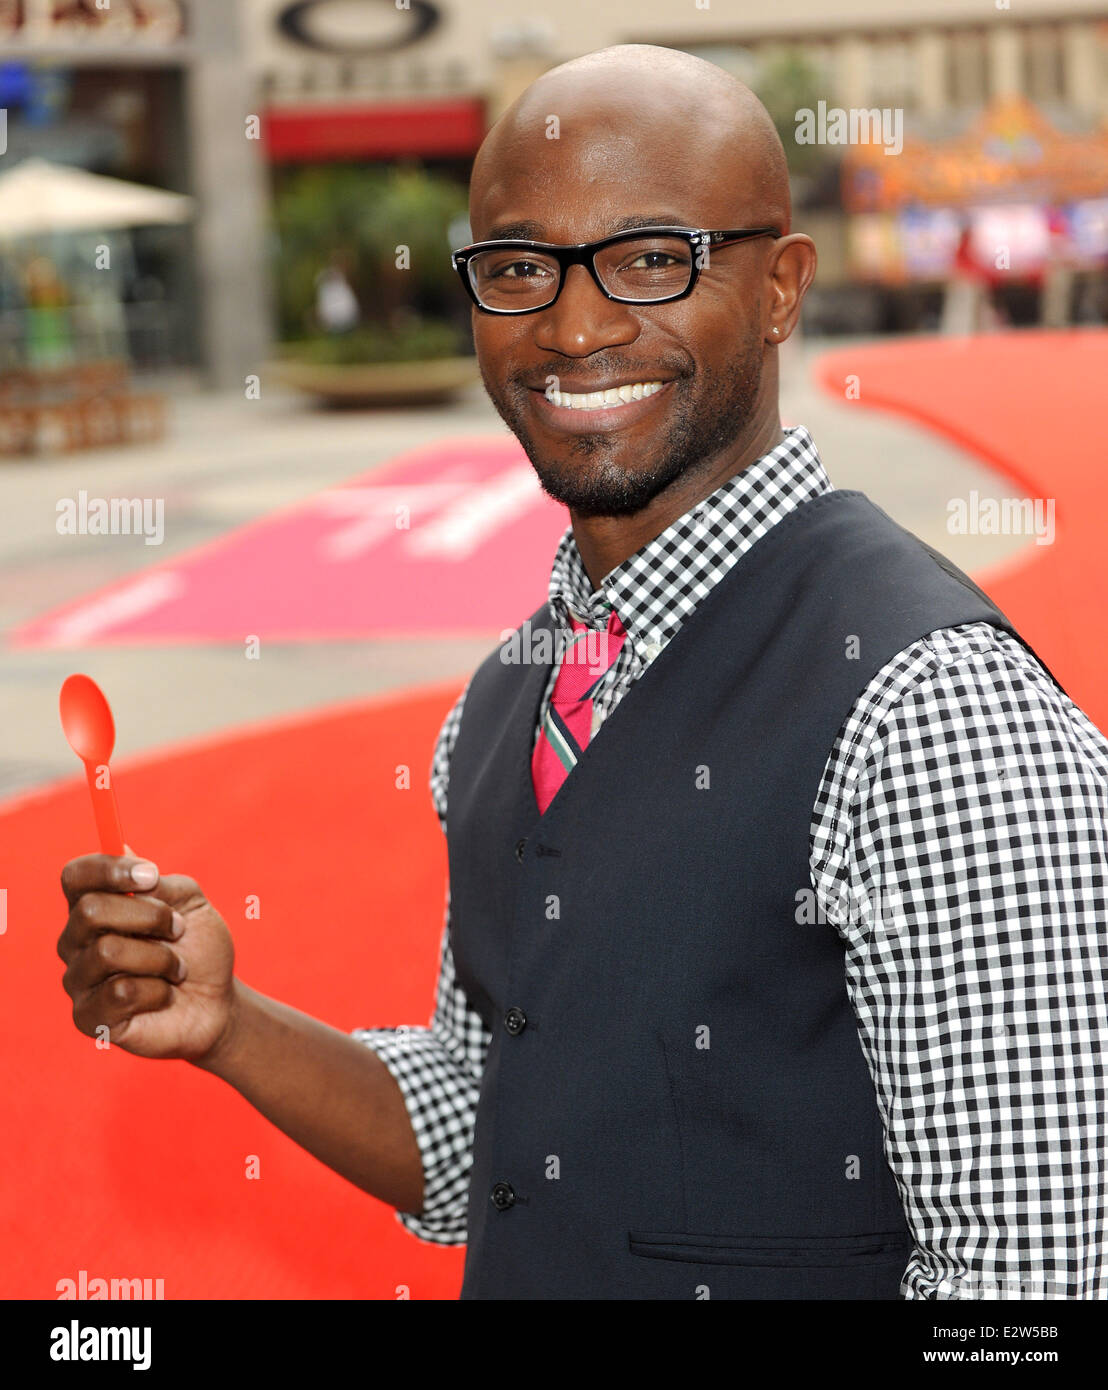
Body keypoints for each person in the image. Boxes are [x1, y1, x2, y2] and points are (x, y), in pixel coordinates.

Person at [57, 44, 1108, 1300]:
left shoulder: (929, 708)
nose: (573, 325)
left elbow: (1038, 1280)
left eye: (652, 258)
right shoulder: (507, 700)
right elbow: (487, 1133)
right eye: (517, 267)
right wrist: (230, 1024)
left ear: (779, 288)